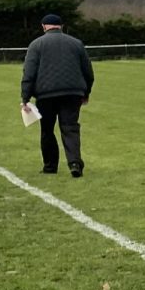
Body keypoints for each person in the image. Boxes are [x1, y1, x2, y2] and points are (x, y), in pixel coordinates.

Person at [21, 13, 95, 177]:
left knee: (47, 130)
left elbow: (29, 73)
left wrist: (25, 98)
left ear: (44, 27)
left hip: (45, 95)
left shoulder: (36, 44)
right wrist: (86, 92)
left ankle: (50, 166)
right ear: (61, 26)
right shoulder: (76, 43)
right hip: (73, 93)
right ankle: (74, 163)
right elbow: (88, 71)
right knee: (70, 128)